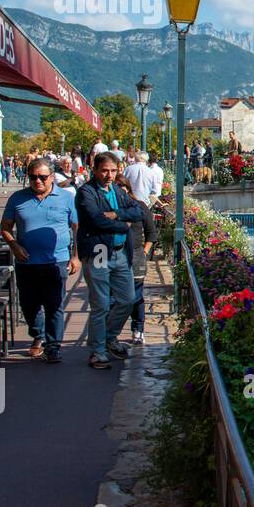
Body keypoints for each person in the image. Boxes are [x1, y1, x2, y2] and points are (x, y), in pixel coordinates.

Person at [1, 158, 80, 364]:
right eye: (33, 177)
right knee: (29, 305)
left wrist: (75, 256)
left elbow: (76, 228)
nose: (38, 181)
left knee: (54, 305)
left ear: (52, 177)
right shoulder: (17, 198)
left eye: (43, 177)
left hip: (57, 261)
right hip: (26, 262)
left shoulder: (65, 198)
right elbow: (5, 227)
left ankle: (53, 346)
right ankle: (38, 334)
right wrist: (14, 246)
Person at [76, 152, 144, 370]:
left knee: (127, 298)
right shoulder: (86, 192)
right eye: (104, 170)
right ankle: (97, 351)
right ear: (95, 170)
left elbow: (138, 211)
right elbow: (95, 219)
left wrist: (115, 215)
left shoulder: (116, 190)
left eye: (113, 171)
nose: (109, 175)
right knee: (101, 304)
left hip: (119, 252)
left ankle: (109, 337)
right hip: (98, 251)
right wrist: (122, 225)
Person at [115, 174, 158, 344]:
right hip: (114, 255)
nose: (119, 191)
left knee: (136, 295)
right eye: (116, 188)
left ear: (128, 189)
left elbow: (151, 232)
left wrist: (145, 252)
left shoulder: (139, 206)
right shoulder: (108, 208)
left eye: (122, 187)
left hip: (136, 255)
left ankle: (138, 329)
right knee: (112, 297)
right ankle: (112, 333)